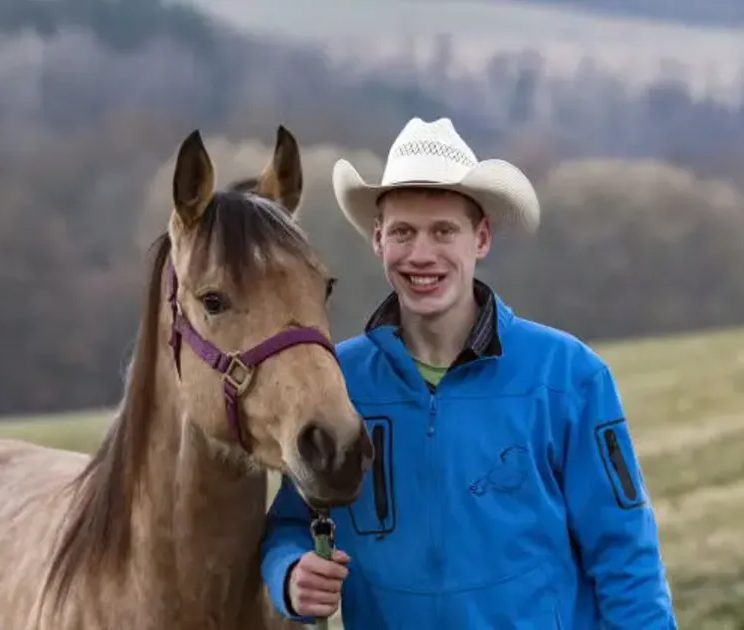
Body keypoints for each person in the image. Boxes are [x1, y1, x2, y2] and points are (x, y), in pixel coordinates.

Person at [259, 117, 678, 628]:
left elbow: (625, 556)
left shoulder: (570, 376)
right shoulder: (337, 382)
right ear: (378, 240)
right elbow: (289, 522)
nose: (421, 254)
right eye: (403, 232)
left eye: (443, 231)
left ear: (480, 239)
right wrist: (289, 574)